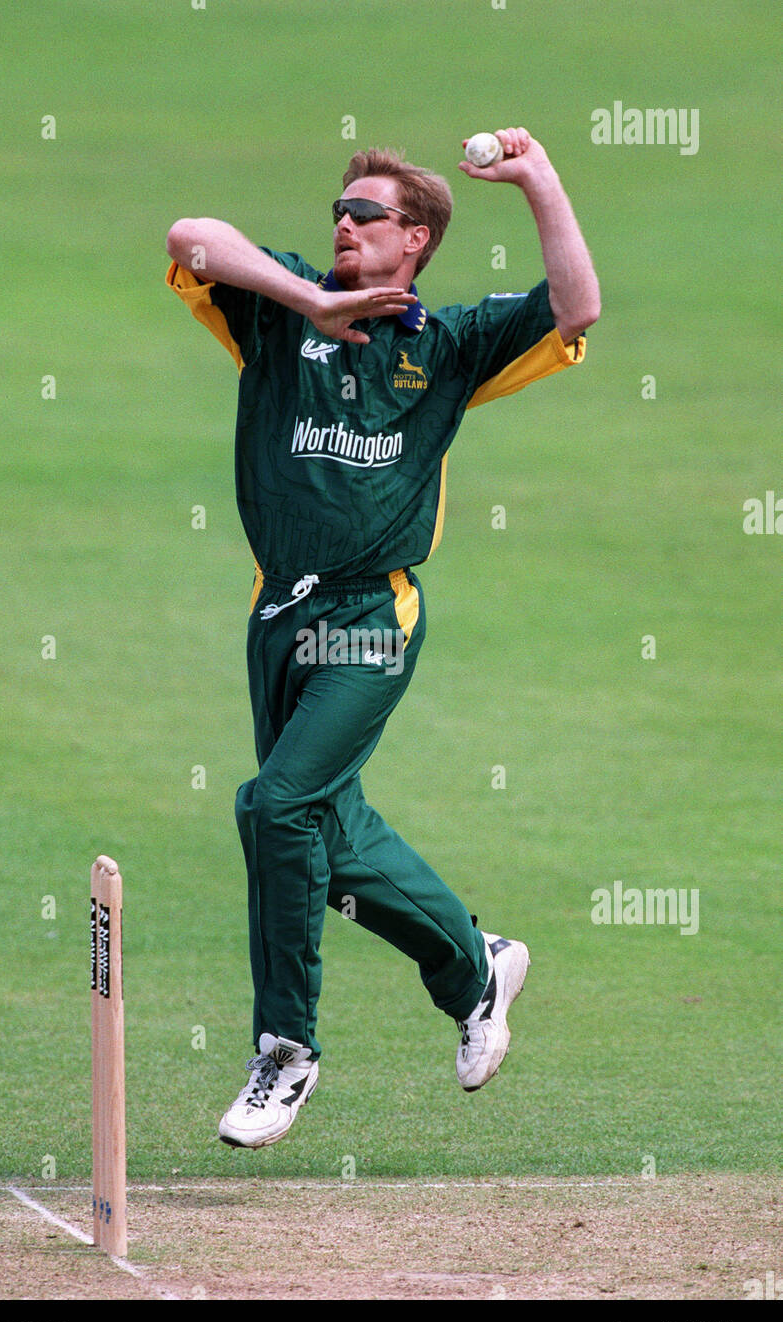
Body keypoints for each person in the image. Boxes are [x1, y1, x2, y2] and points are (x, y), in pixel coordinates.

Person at [166, 126, 599, 1149]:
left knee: (273, 805)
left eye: (365, 216)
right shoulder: (280, 310)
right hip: (278, 614)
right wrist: (309, 300)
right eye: (337, 213)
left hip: (370, 615)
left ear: (414, 240)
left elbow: (575, 307)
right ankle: (474, 966)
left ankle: (285, 1049)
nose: (342, 227)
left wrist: (536, 178)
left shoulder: (445, 350)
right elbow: (189, 234)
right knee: (325, 831)